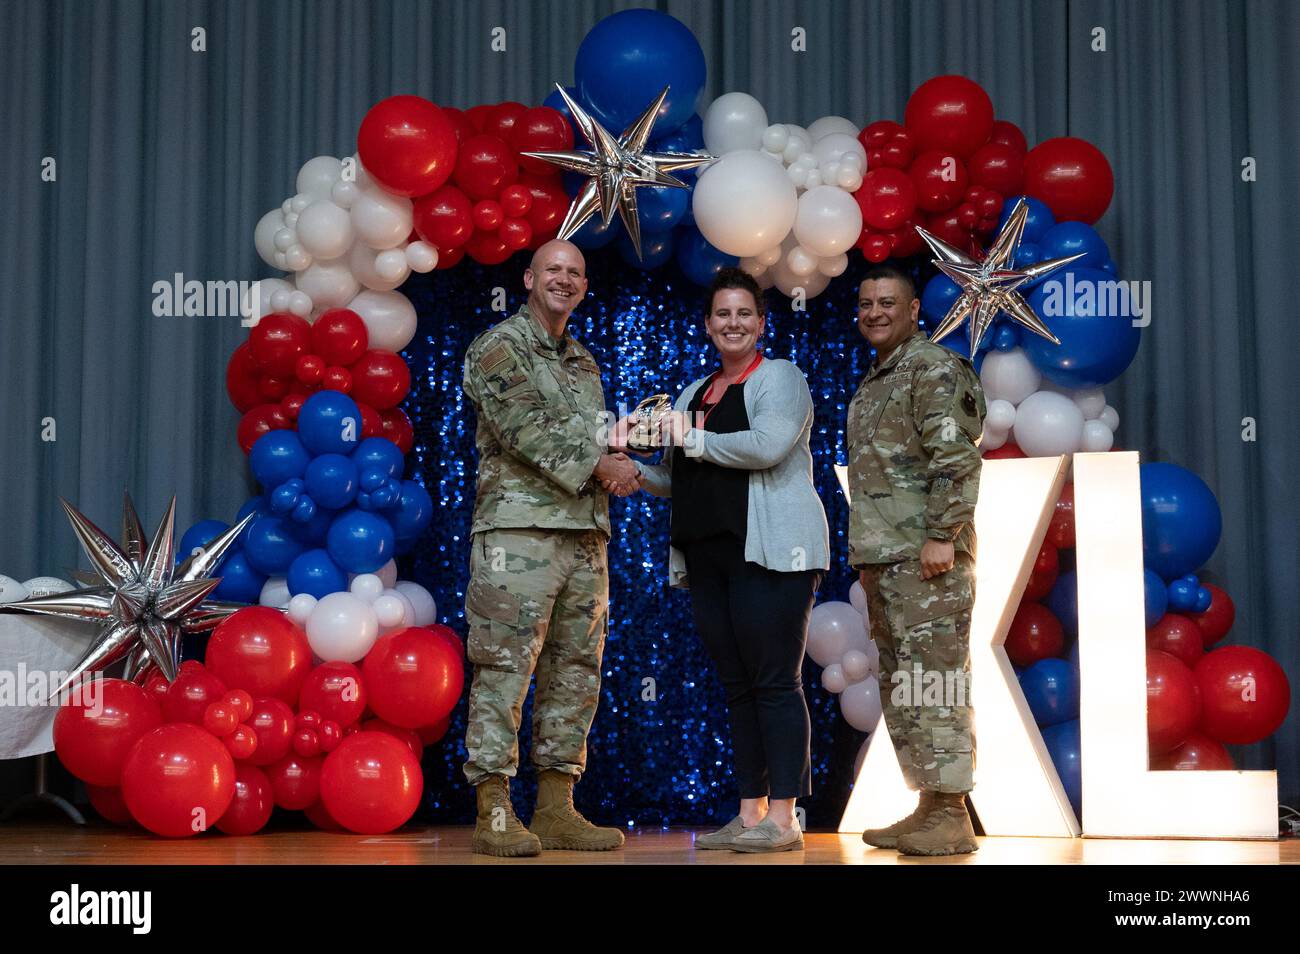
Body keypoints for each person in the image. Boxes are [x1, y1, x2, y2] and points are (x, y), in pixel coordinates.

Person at [621, 267, 829, 853]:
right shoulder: (693, 393)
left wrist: (686, 438)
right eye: (722, 314)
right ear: (708, 325)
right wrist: (631, 469)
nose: (732, 323)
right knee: (739, 687)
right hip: (709, 557)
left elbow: (766, 447)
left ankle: (786, 821)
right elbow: (678, 477)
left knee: (774, 682)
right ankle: (750, 813)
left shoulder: (781, 379)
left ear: (761, 323)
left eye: (744, 314)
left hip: (773, 555)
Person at [460, 239, 641, 857]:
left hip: (585, 537)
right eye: (553, 270)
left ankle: (556, 807)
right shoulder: (497, 346)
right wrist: (603, 464)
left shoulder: (583, 361)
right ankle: (493, 810)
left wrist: (628, 451)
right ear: (529, 278)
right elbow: (525, 428)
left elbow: (587, 438)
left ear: (584, 286)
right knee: (505, 667)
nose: (564, 280)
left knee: (575, 672)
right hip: (518, 534)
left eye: (575, 273)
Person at [847, 264, 986, 856]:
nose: (875, 312)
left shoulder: (929, 368)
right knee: (906, 685)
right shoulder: (878, 378)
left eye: (887, 302)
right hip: (888, 560)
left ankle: (952, 812)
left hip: (926, 558)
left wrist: (941, 534)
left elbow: (956, 459)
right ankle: (928, 805)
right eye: (867, 303)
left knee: (937, 681)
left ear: (912, 312)